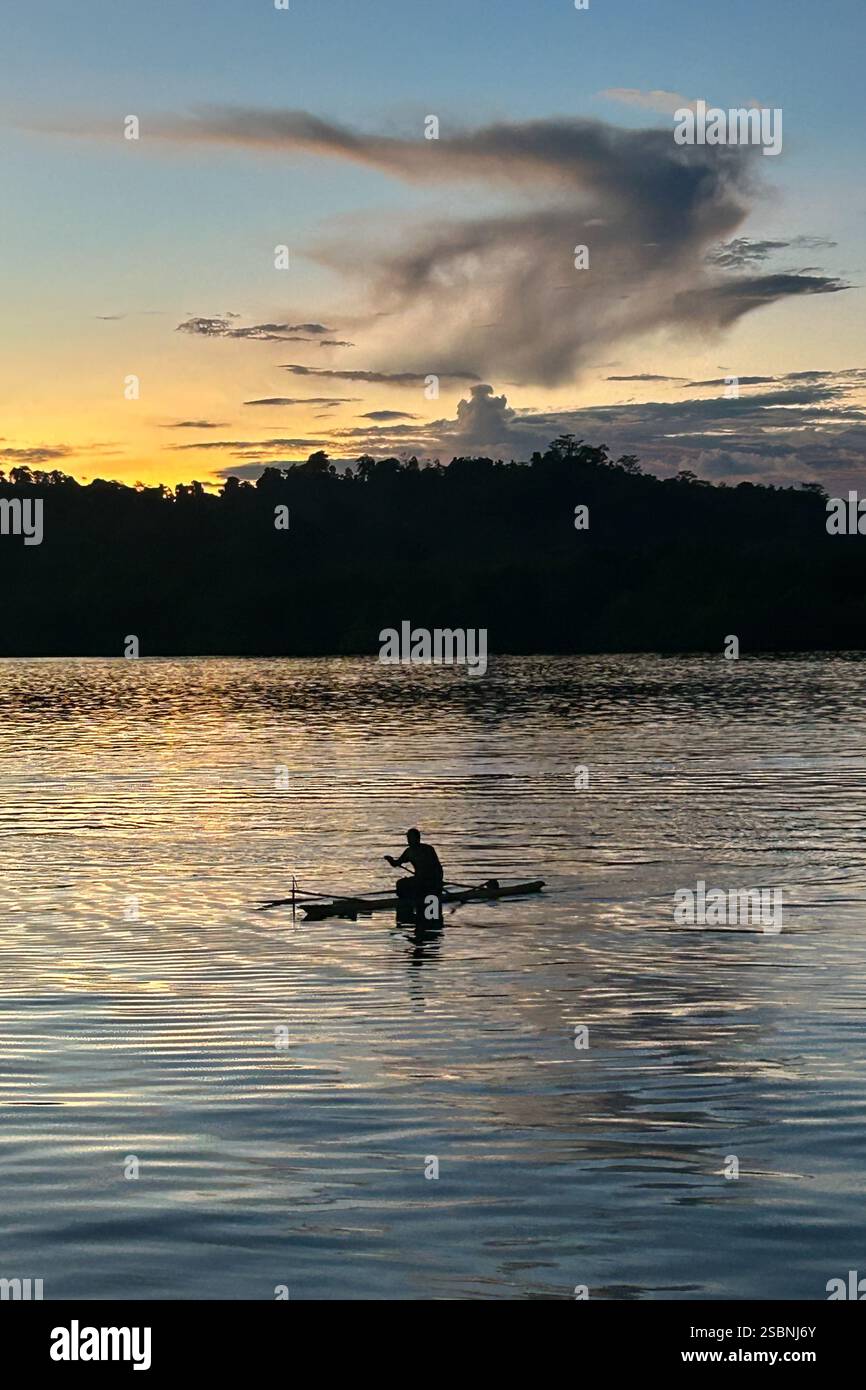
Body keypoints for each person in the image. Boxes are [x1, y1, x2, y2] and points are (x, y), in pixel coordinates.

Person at [385, 828, 444, 906]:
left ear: (418, 839)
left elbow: (438, 868)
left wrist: (437, 881)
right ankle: (406, 901)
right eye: (408, 838)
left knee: (412, 885)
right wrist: (390, 860)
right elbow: (397, 863)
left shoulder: (428, 849)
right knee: (400, 883)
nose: (409, 841)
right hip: (419, 880)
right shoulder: (409, 852)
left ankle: (415, 897)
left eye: (411, 838)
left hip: (431, 880)